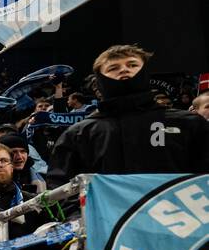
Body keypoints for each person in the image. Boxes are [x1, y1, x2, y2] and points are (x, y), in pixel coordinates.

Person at [46, 44, 209, 185]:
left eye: (132, 65)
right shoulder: (79, 135)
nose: (124, 69)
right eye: (113, 68)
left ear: (145, 71)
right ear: (99, 80)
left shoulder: (189, 123)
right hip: (109, 220)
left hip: (183, 217)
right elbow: (61, 189)